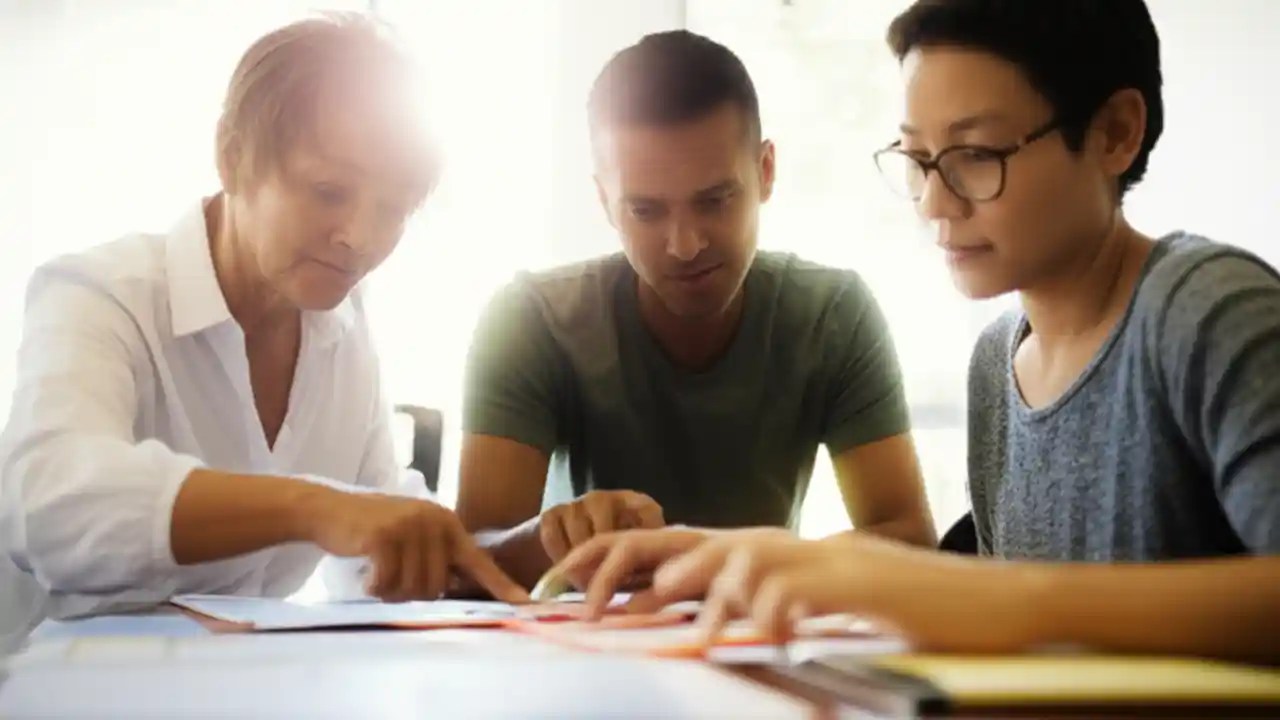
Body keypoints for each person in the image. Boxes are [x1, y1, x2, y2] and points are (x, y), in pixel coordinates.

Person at [548, 0, 1280, 663]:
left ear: (1115, 133)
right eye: (919, 159)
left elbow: (1010, 608)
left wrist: (1008, 595)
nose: (933, 202)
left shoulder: (1208, 312)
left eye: (975, 156)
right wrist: (759, 561)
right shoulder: (999, 361)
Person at [0, 13, 526, 650]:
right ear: (231, 157)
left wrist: (543, 544)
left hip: (227, 681)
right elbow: (46, 504)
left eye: (391, 209)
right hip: (45, 679)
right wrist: (313, 507)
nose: (361, 239)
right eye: (329, 191)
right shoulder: (101, 293)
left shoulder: (342, 325)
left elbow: (374, 550)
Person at [456, 30, 937, 589]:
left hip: (758, 629)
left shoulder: (832, 316)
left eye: (715, 200)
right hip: (585, 630)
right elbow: (466, 562)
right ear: (605, 202)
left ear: (766, 171)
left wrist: (724, 556)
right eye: (645, 211)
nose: (684, 245)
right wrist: (555, 536)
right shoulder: (533, 320)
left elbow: (910, 540)